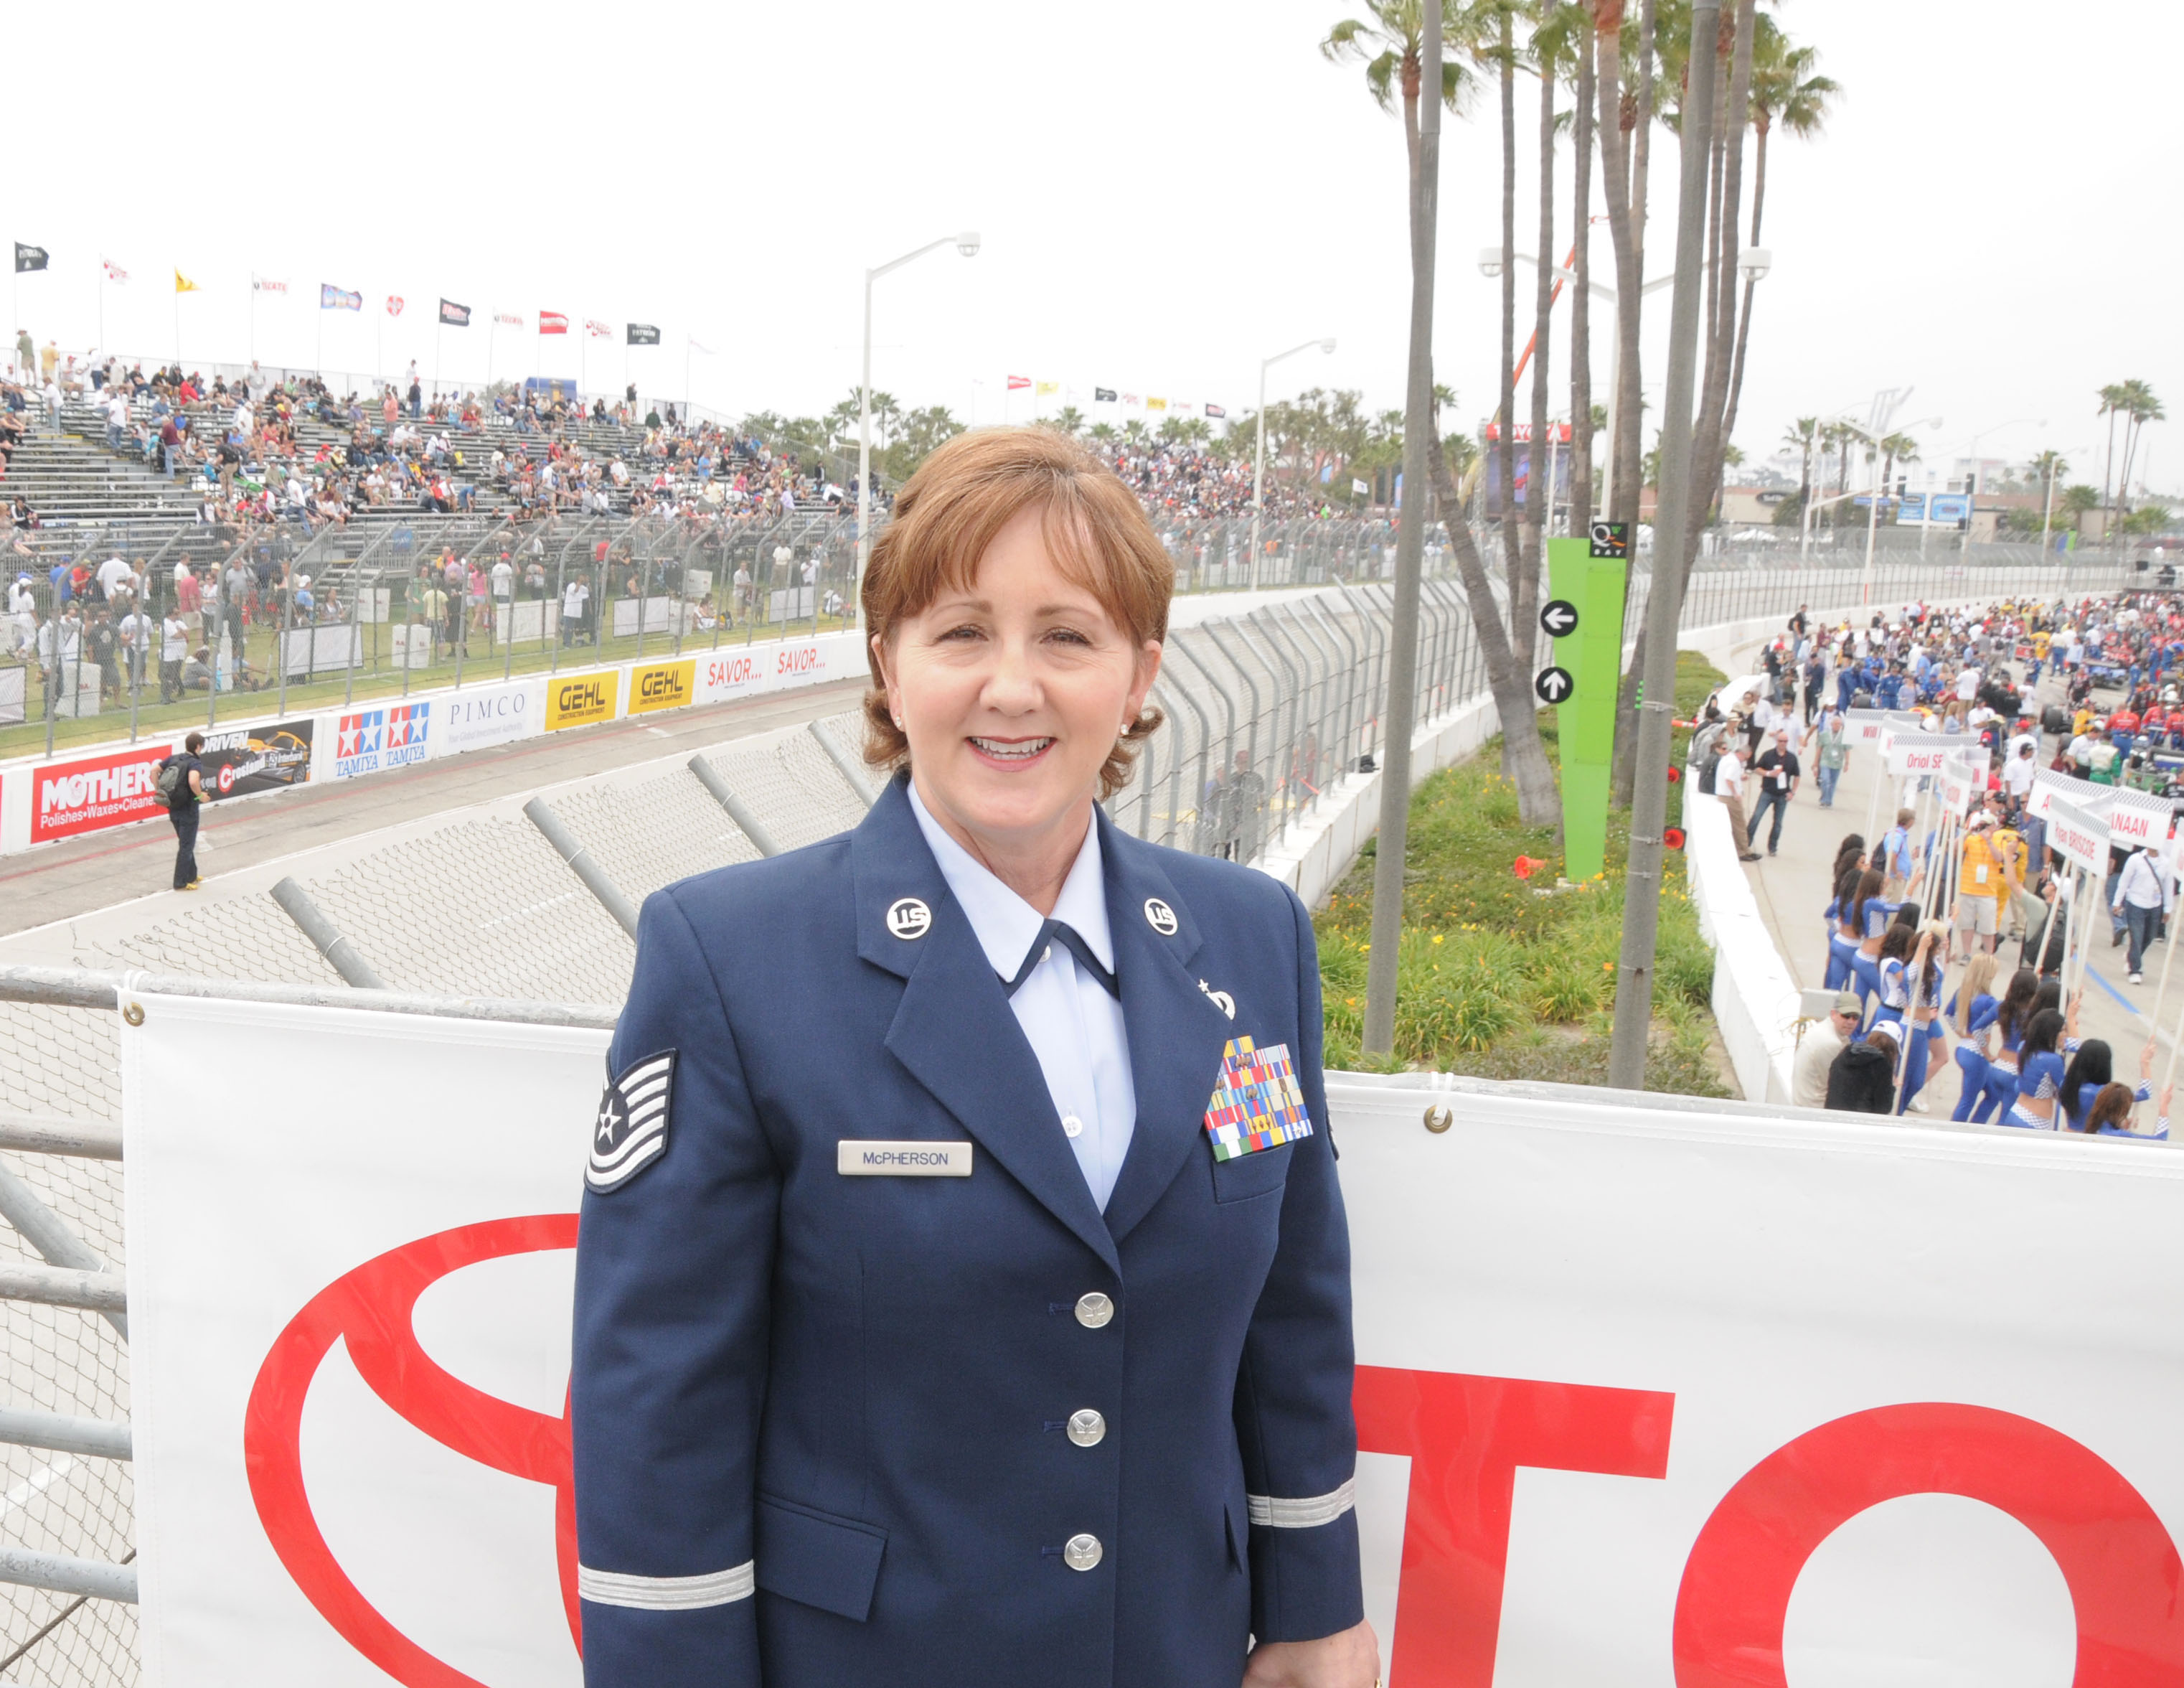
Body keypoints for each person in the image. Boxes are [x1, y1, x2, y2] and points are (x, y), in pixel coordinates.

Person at [570, 428, 1376, 1688]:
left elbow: (1291, 1306)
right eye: (959, 633)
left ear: (1138, 673)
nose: (1012, 687)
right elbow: (656, 1401)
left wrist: (1315, 1602)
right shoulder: (731, 958)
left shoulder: (1246, 938)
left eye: (1066, 635)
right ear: (889, 667)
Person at [1794, 991, 1864, 1109]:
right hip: (1814, 1109)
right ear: (1833, 1014)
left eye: (1855, 1017)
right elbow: (1840, 1084)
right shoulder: (1830, 1043)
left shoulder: (1826, 1030)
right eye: (1846, 1016)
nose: (1851, 1021)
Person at [1950, 812, 2005, 962]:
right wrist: (1969, 831)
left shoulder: (1999, 840)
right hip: (1968, 889)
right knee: (1966, 924)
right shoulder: (1971, 840)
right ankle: (1967, 953)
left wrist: (1989, 841)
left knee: (1988, 928)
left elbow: (1999, 858)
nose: (1985, 828)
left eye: (1988, 825)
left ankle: (1988, 957)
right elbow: (1954, 847)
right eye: (1983, 825)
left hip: (1987, 892)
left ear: (1994, 826)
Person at [2112, 841, 2167, 984]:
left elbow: (2168, 886)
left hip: (2155, 905)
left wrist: (2167, 909)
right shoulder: (2135, 859)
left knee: (2149, 937)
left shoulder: (2166, 862)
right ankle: (2135, 970)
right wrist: (2117, 902)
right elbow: (2124, 881)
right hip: (2135, 903)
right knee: (2136, 936)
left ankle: (2131, 956)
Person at [159, 731, 207, 891]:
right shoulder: (195, 763)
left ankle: (192, 875)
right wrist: (201, 795)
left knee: (186, 842)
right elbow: (193, 780)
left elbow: (154, 770)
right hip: (188, 809)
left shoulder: (174, 758)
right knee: (187, 845)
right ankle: (180, 881)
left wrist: (158, 790)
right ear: (198, 746)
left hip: (173, 806)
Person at [1825, 1017, 1901, 1114]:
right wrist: (1892, 1086)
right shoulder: (1882, 1065)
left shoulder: (1844, 1054)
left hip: (1831, 1116)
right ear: (1893, 1049)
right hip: (1859, 1122)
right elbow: (1884, 1108)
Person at [1749, 723, 1799, 855]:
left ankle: (1772, 847)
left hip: (1782, 795)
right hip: (1767, 791)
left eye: (1785, 741)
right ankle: (1746, 843)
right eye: (1781, 741)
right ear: (1777, 741)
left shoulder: (1791, 758)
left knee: (1778, 823)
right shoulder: (1768, 755)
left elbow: (1797, 775)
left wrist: (1793, 792)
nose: (1783, 743)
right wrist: (1769, 774)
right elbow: (1757, 768)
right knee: (1756, 817)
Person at [1716, 735, 1759, 861]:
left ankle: (1741, 850)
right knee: (1740, 824)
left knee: (1735, 825)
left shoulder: (1728, 758)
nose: (1744, 761)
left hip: (1723, 795)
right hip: (1730, 797)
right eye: (1746, 758)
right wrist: (1736, 793)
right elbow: (1729, 779)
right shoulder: (1735, 763)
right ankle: (1745, 850)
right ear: (1742, 754)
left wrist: (1740, 777)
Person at [1810, 708, 1848, 808]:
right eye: (1835, 724)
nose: (1837, 726)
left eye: (1839, 724)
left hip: (1837, 762)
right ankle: (1823, 799)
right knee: (1825, 780)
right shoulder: (1824, 735)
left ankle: (1829, 801)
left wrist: (1847, 763)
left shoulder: (1844, 736)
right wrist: (1815, 762)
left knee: (1833, 783)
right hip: (1825, 760)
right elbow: (1819, 748)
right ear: (1831, 725)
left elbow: (1847, 749)